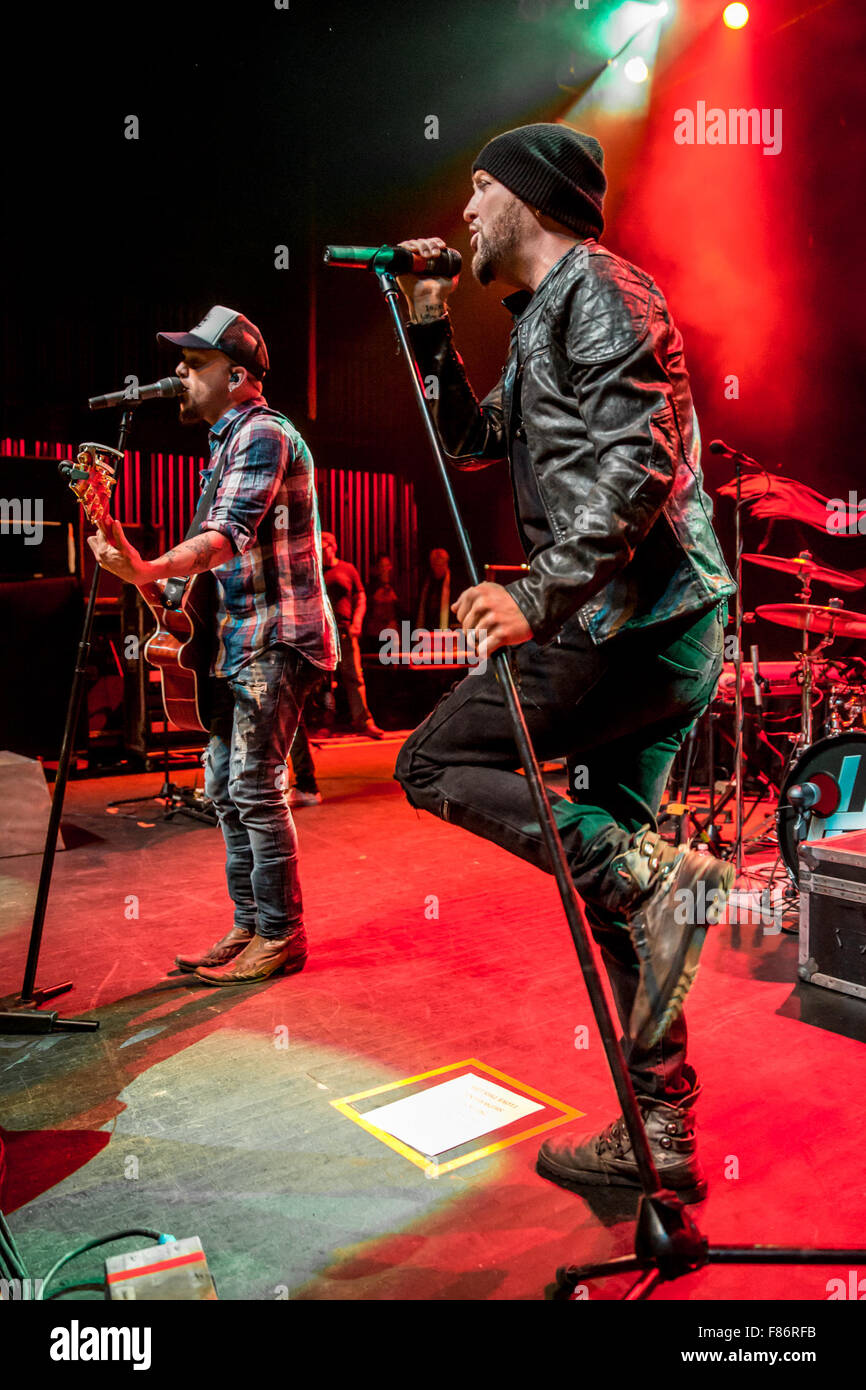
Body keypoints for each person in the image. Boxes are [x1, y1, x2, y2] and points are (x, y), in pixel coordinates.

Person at [393, 125, 737, 1203]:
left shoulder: (603, 291)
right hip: (639, 627)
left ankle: (653, 879)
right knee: (618, 886)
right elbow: (470, 440)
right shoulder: (547, 313)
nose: (463, 215)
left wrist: (534, 595)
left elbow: (640, 463)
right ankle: (662, 1131)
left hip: (637, 626)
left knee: (433, 761)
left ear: (528, 199)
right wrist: (426, 329)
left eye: (477, 191)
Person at [89, 305, 338, 985]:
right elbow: (197, 584)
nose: (177, 373)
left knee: (254, 790)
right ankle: (252, 924)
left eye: (191, 363)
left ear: (236, 375)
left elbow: (226, 536)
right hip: (237, 640)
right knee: (225, 791)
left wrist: (147, 567)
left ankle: (283, 934)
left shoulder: (263, 434)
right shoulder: (225, 446)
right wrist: (134, 566)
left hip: (277, 638)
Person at [321, 531, 385, 738]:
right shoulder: (314, 569)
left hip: (345, 630)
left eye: (324, 547)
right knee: (324, 681)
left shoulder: (347, 569)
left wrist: (357, 621)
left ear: (333, 546)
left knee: (354, 677)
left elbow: (361, 596)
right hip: (322, 632)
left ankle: (363, 720)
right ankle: (325, 722)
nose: (322, 551)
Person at [416, 548, 457, 631]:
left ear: (446, 564)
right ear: (432, 564)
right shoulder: (426, 583)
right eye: (436, 564)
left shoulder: (455, 585)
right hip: (428, 631)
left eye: (442, 564)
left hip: (449, 631)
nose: (439, 567)